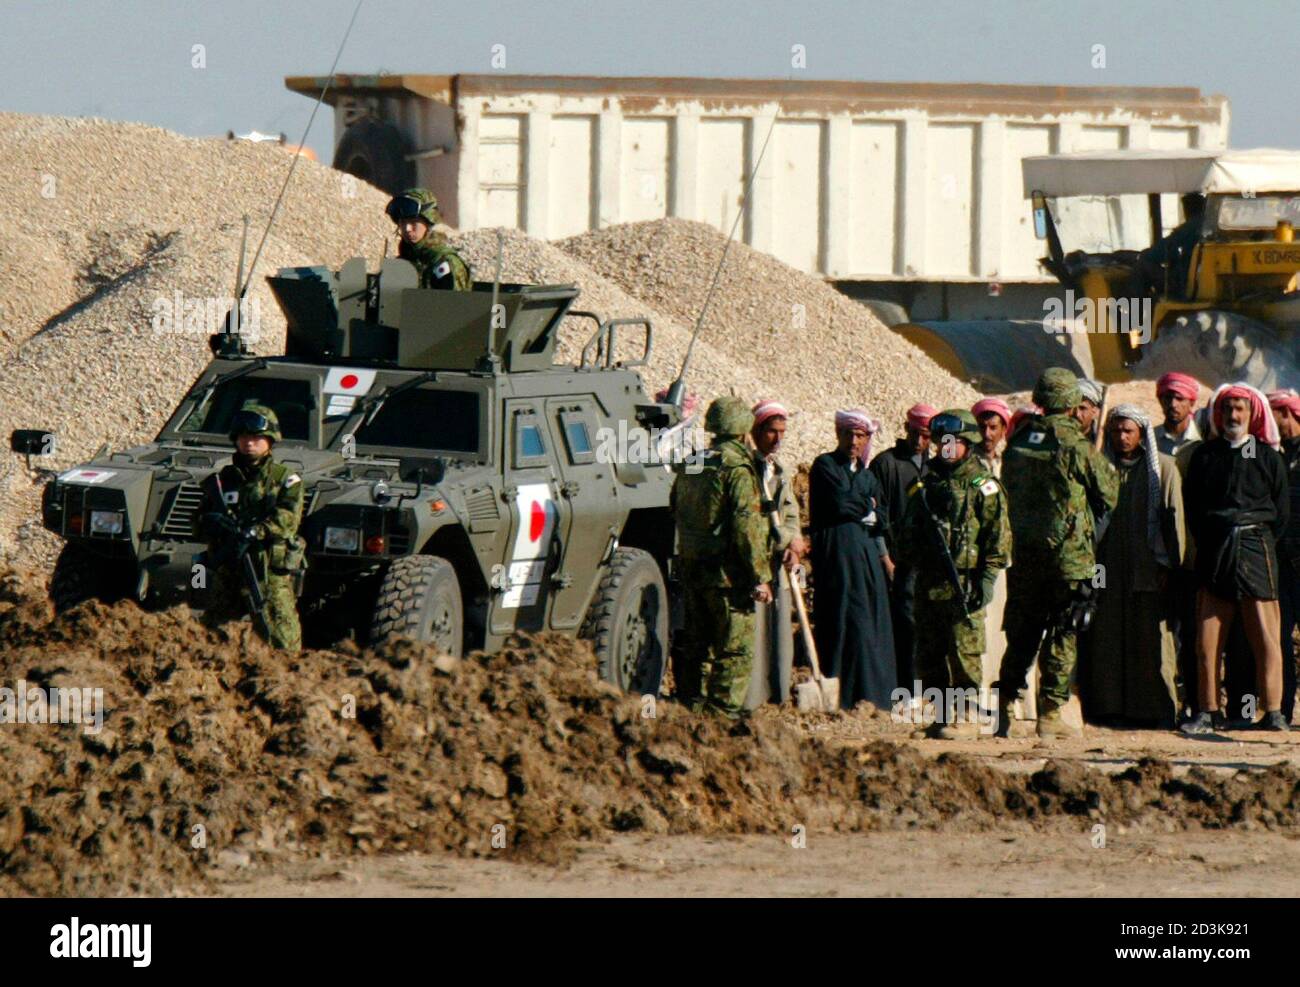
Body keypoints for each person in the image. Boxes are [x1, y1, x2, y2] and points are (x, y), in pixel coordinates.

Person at [993, 368, 1119, 739]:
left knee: (1022, 634)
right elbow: (1109, 492)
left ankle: (1003, 710)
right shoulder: (1075, 444)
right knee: (1064, 631)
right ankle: (1049, 714)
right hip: (1069, 558)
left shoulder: (1019, 439)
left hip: (1026, 555)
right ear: (1069, 403)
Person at [1182, 385, 1289, 733]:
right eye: (1227, 408)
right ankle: (1208, 711)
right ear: (1218, 413)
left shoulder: (1268, 457)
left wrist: (1259, 540)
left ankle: (1272, 712)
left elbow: (1281, 514)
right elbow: (1193, 509)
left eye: (1240, 408)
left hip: (1257, 546)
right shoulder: (1205, 456)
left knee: (1266, 636)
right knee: (1207, 640)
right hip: (1215, 549)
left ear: (1252, 413)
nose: (1233, 415)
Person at [898, 409, 1011, 738]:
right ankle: (941, 715)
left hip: (965, 581)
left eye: (952, 441)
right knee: (930, 652)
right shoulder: (925, 482)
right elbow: (908, 530)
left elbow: (998, 536)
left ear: (967, 443)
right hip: (929, 581)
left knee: (965, 652)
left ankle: (966, 717)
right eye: (940, 441)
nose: (944, 447)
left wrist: (987, 579)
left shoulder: (983, 484)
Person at [1081, 404, 1185, 727]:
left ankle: (1155, 710)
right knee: (1107, 635)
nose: (1122, 437)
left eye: (1128, 431)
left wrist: (1169, 565)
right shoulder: (1101, 468)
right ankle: (1109, 708)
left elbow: (1174, 520)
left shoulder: (1163, 469)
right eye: (1116, 431)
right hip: (1107, 569)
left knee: (1149, 639)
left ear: (1141, 433)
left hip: (1148, 568)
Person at [670, 396, 772, 718]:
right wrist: (760, 575)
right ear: (744, 430)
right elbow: (747, 527)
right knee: (735, 650)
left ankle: (692, 713)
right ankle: (719, 721)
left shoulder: (695, 462)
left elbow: (676, 507)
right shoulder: (738, 468)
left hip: (692, 570)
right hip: (727, 578)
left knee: (698, 648)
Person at [199, 404, 306, 652]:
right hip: (229, 567)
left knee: (281, 638)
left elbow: (288, 519)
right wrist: (213, 522)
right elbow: (199, 521)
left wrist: (255, 531)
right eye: (243, 437)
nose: (249, 443)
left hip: (267, 570)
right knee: (212, 636)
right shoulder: (222, 481)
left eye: (256, 437)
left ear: (270, 441)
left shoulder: (285, 480)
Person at [809, 409, 897, 710]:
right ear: (839, 434)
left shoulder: (868, 475)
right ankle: (842, 697)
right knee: (841, 620)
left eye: (861, 435)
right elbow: (837, 503)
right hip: (837, 558)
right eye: (849, 434)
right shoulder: (824, 466)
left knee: (869, 624)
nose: (854, 441)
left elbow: (882, 516)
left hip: (867, 561)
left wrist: (867, 508)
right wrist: (866, 506)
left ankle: (873, 696)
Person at [870, 403, 936, 695]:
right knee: (904, 626)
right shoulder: (886, 464)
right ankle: (906, 690)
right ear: (905, 429)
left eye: (926, 436)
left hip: (928, 561)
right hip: (899, 560)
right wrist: (886, 558)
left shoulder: (934, 468)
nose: (919, 442)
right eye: (915, 434)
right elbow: (875, 517)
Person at [745, 399, 806, 707]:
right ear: (756, 431)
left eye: (782, 432)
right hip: (753, 564)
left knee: (779, 632)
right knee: (754, 634)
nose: (778, 439)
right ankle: (752, 699)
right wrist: (786, 540)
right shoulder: (746, 471)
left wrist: (794, 546)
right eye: (771, 432)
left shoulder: (780, 471)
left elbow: (790, 513)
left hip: (777, 567)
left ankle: (777, 695)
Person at [385, 188, 472, 291]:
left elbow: (454, 305)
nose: (407, 229)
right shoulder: (402, 263)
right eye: (403, 222)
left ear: (428, 221)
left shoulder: (444, 263)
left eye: (413, 222)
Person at [1154, 372, 1203, 461]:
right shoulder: (1149, 439)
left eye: (1180, 399)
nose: (1173, 404)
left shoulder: (1202, 440)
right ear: (1161, 400)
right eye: (1168, 398)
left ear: (1192, 403)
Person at [971, 397, 1011, 475]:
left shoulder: (1006, 464)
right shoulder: (965, 463)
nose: (986, 434)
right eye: (982, 427)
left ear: (1003, 430)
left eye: (993, 428)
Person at [1076, 379, 1104, 444]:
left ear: (1095, 412)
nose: (1077, 414)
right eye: (1072, 408)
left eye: (1082, 408)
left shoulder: (1104, 442)